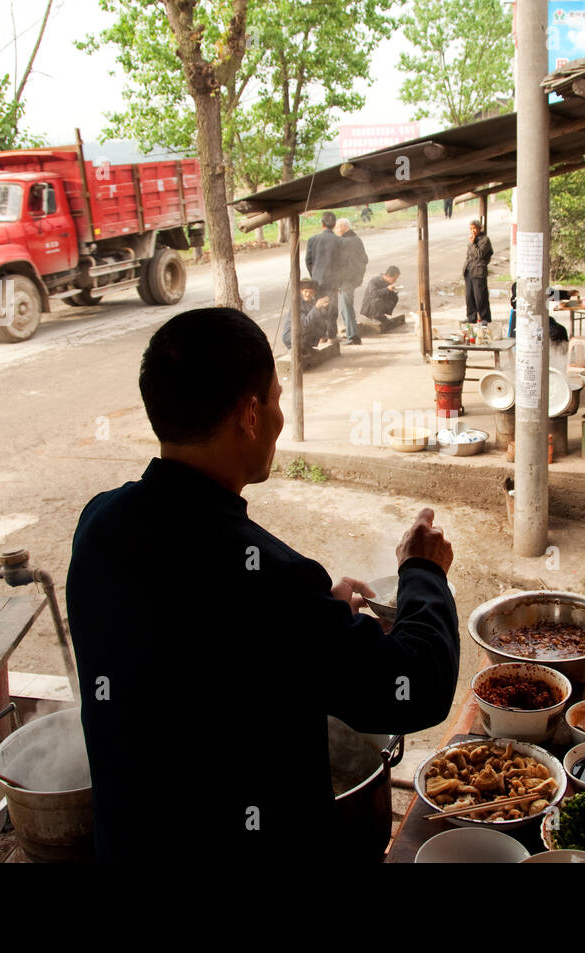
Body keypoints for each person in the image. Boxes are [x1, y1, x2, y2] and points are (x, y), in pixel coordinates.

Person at [67, 308, 460, 863]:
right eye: (275, 399)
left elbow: (196, 647)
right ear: (250, 415)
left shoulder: (98, 525)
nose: (279, 416)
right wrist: (422, 572)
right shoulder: (270, 580)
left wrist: (319, 617)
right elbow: (417, 683)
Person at [334, 218, 369, 345]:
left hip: (347, 280)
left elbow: (340, 264)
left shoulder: (345, 242)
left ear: (343, 228)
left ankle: (353, 336)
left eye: (336, 228)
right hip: (352, 279)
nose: (335, 230)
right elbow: (365, 259)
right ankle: (351, 333)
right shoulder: (356, 239)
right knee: (345, 308)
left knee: (346, 308)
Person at [281, 279, 335, 354]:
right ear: (301, 291)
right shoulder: (297, 304)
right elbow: (305, 324)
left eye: (310, 292)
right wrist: (316, 308)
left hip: (303, 335)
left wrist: (324, 309)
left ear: (314, 293)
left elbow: (320, 321)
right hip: (291, 336)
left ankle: (306, 347)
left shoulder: (311, 303)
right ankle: (298, 349)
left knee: (321, 325)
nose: (307, 294)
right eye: (306, 291)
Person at [306, 210, 342, 305]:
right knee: (332, 310)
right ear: (334, 225)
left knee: (319, 308)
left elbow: (308, 261)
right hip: (333, 282)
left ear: (322, 224)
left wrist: (314, 275)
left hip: (317, 281)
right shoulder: (340, 241)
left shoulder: (312, 240)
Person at [463, 219, 494, 324]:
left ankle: (485, 317)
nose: (473, 231)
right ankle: (471, 317)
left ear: (480, 228)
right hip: (469, 271)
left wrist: (474, 243)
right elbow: (469, 255)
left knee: (480, 296)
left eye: (474, 228)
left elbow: (480, 254)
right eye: (471, 229)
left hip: (479, 271)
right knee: (469, 297)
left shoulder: (485, 240)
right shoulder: (472, 240)